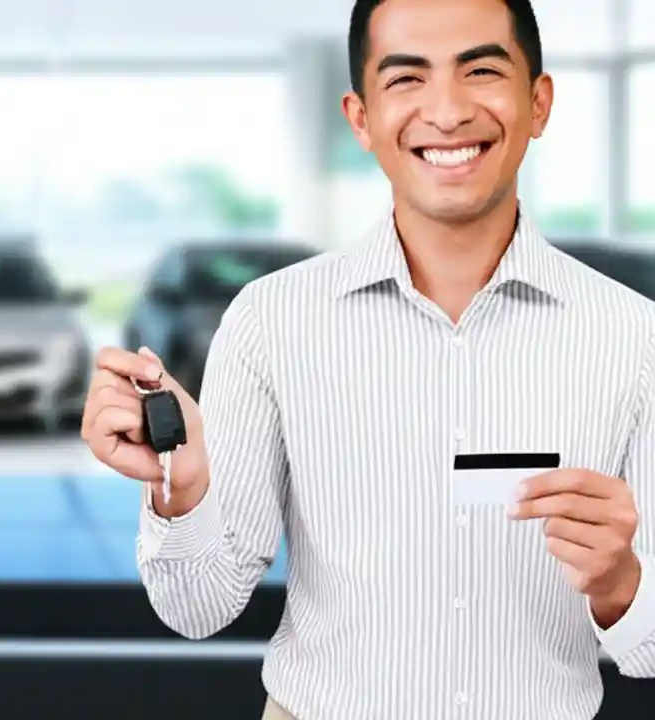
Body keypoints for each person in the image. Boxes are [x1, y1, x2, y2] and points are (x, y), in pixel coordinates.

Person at [81, 0, 655, 717]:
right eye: (407, 78)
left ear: (538, 102)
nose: (445, 112)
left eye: (480, 70)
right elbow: (200, 609)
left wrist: (621, 583)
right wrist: (183, 488)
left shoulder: (634, 338)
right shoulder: (271, 322)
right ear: (360, 118)